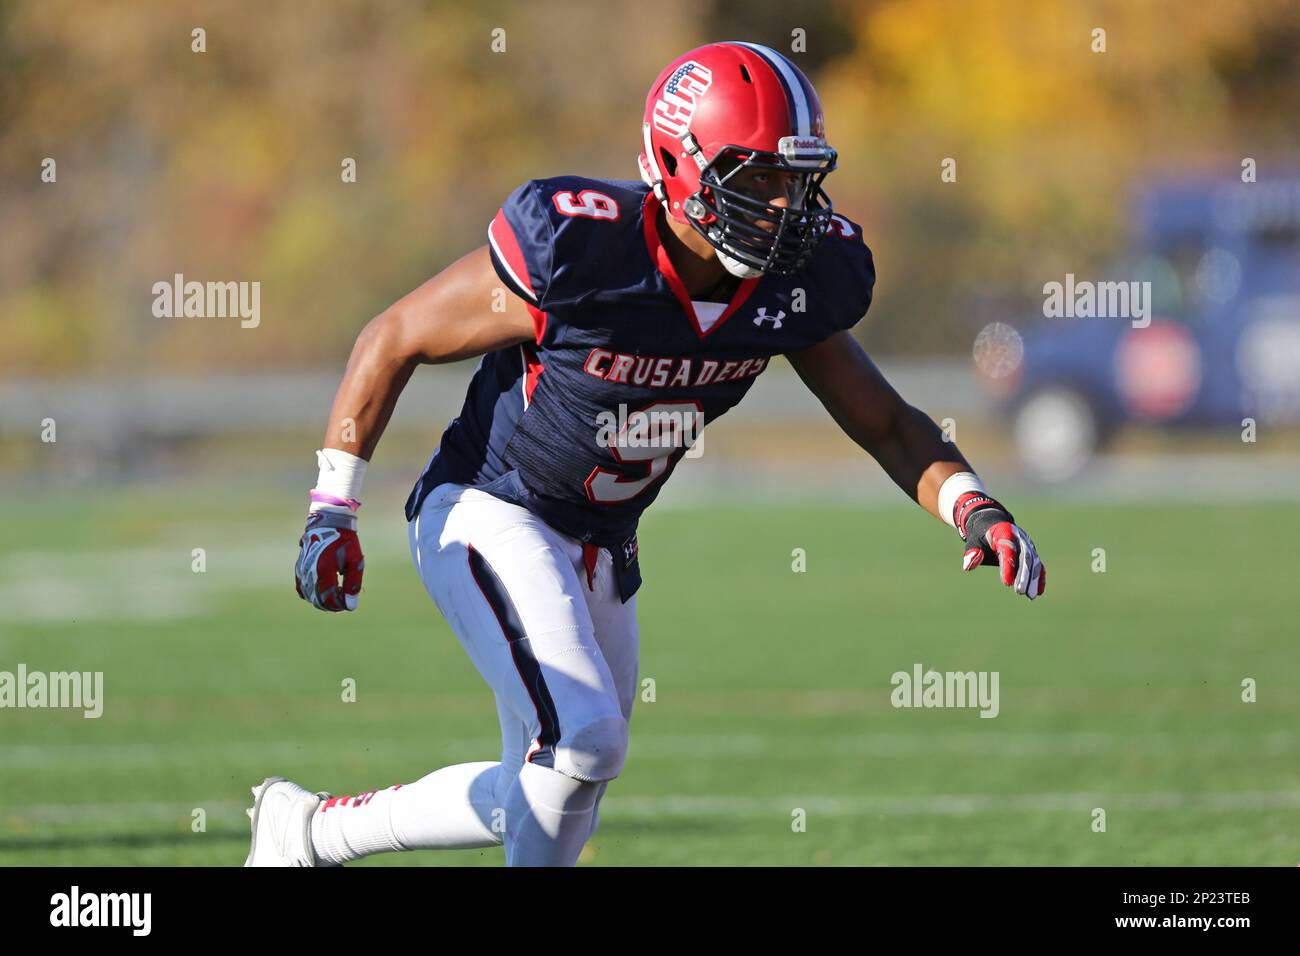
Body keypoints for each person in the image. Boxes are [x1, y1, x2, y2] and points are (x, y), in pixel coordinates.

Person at [246, 40, 1046, 868]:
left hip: (603, 545)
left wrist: (971, 504)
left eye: (798, 181)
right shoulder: (585, 251)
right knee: (584, 740)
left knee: (563, 782)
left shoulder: (792, 281)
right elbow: (395, 335)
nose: (786, 207)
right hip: (491, 508)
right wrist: (331, 509)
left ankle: (308, 834)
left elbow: (882, 421)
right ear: (680, 165)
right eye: (760, 179)